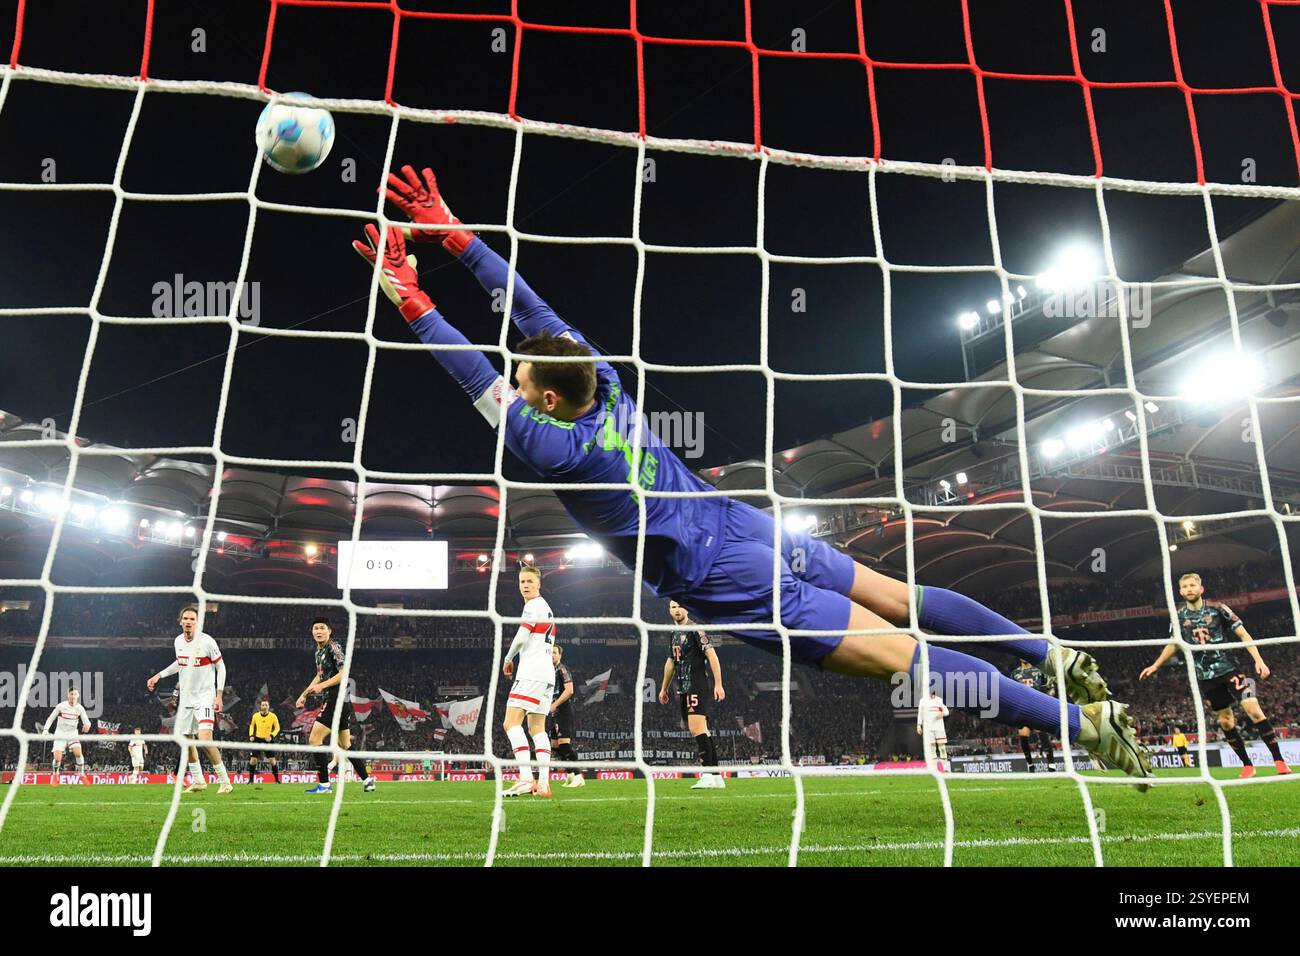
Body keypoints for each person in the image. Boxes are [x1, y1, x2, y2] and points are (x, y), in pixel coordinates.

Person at [352, 165, 1152, 787]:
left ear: (548, 400)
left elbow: (470, 376)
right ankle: (1048, 653)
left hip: (721, 570)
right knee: (897, 596)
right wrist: (456, 239)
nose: (516, 375)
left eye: (523, 380)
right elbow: (530, 311)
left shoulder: (558, 449)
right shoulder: (603, 380)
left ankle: (1085, 729)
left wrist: (411, 300)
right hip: (739, 522)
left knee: (903, 653)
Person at [1140, 572, 1291, 778]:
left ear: (1201, 589)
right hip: (1206, 677)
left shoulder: (1218, 609)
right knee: (1226, 722)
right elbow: (1174, 643)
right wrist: (1156, 665)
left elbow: (1243, 634)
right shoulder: (1179, 616)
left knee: (1254, 710)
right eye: (1185, 587)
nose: (1189, 589)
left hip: (1230, 669)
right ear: (1180, 592)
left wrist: (1259, 660)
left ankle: (1279, 760)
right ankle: (1247, 765)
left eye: (1193, 585)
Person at [147, 605, 233, 794]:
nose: (188, 622)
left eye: (192, 619)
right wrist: (159, 676)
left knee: (204, 739)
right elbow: (180, 662)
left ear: (198, 622)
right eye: (185, 618)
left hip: (205, 697)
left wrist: (218, 695)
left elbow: (222, 667)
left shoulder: (207, 642)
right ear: (180, 621)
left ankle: (225, 781)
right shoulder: (178, 641)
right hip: (186, 698)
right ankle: (199, 780)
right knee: (187, 740)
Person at [298, 617, 377, 794]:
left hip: (336, 699)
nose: (319, 631)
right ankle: (368, 780)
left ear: (329, 631)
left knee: (314, 739)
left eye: (322, 628)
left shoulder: (334, 647)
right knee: (346, 744)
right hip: (339, 701)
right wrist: (304, 694)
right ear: (312, 632)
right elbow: (319, 676)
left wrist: (321, 686)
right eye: (316, 628)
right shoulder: (318, 652)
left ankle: (324, 785)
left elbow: (343, 674)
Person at [658, 600, 726, 789]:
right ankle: (716, 776)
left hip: (696, 684)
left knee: (697, 729)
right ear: (669, 610)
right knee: (703, 730)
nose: (677, 610)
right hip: (683, 687)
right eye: (673, 607)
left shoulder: (696, 629)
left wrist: (718, 684)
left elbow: (712, 655)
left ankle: (706, 775)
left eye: (680, 606)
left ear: (687, 608)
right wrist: (664, 688)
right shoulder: (673, 633)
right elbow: (671, 662)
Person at [502, 567, 556, 798]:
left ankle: (526, 778)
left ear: (539, 584)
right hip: (547, 674)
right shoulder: (547, 609)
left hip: (531, 672)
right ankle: (543, 785)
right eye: (522, 581)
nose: (525, 585)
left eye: (530, 581)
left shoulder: (533, 607)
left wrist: (507, 658)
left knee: (510, 723)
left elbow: (522, 637)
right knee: (537, 728)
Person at [1011, 661, 1056, 771]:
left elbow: (1051, 688)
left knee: (1041, 733)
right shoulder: (1015, 673)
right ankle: (1030, 765)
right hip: (1023, 708)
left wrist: (1047, 698)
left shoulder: (1039, 671)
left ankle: (1052, 765)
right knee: (1023, 734)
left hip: (1037, 707)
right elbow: (1010, 690)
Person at [550, 645, 583, 788]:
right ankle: (570, 775)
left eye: (555, 652)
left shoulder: (562, 669)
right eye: (550, 652)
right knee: (555, 746)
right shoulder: (550, 670)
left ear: (560, 655)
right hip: (555, 712)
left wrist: (555, 704)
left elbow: (569, 690)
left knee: (565, 745)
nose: (552, 654)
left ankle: (578, 776)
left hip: (563, 711)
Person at [42, 688, 91, 781]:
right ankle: (55, 774)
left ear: (78, 696)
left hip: (72, 733)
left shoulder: (80, 708)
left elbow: (86, 720)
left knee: (78, 753)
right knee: (57, 759)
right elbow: (51, 718)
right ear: (68, 695)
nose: (73, 696)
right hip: (60, 733)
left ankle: (81, 774)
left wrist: (87, 725)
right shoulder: (61, 706)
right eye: (71, 694)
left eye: (75, 694)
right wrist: (45, 729)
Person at [248, 699, 281, 784]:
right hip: (258, 739)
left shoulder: (273, 716)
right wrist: (251, 735)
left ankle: (277, 780)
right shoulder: (255, 716)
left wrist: (271, 735)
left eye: (266, 705)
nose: (264, 706)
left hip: (268, 739)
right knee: (253, 760)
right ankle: (251, 780)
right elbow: (252, 726)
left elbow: (277, 728)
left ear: (268, 707)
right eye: (263, 705)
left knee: (272, 761)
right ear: (260, 706)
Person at [917, 690, 950, 771]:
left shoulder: (939, 700)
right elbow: (920, 713)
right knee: (932, 749)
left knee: (942, 748)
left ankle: (945, 768)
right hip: (928, 728)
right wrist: (919, 725)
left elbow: (947, 711)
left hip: (939, 727)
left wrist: (942, 714)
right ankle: (935, 769)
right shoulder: (922, 701)